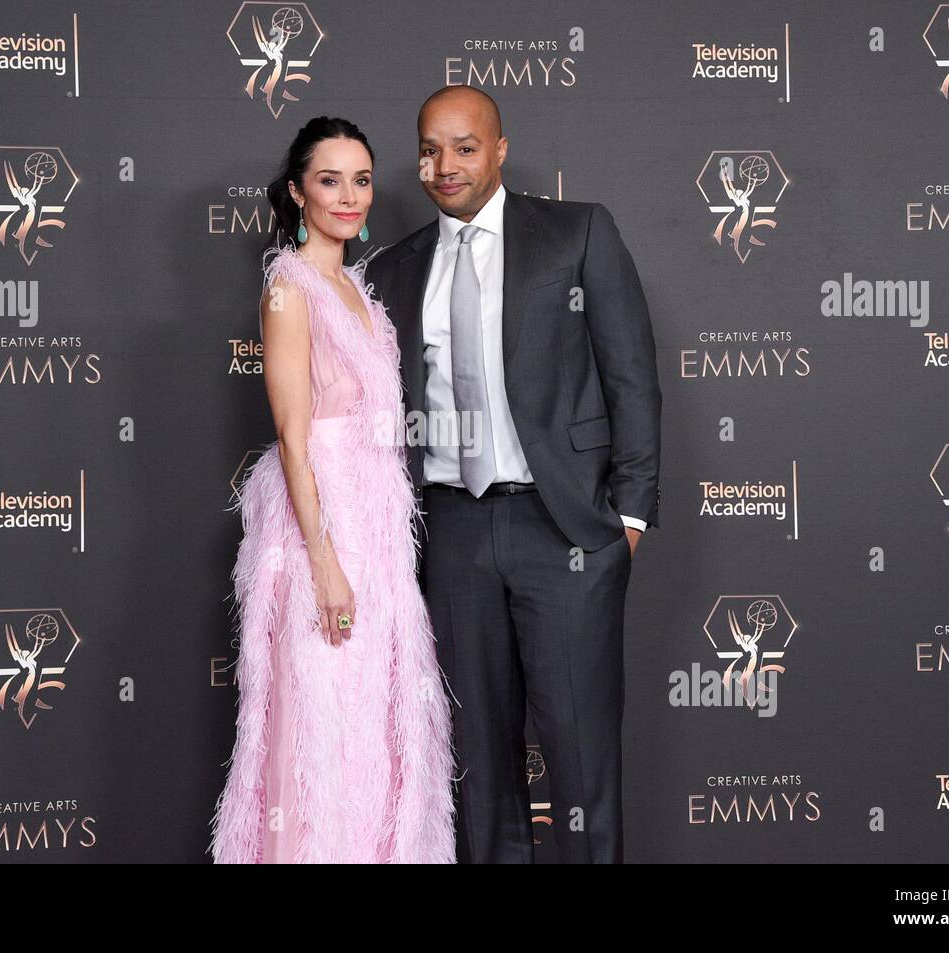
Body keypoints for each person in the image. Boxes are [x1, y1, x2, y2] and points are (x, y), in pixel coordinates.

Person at [364, 86, 662, 863]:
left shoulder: (576, 233)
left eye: (465, 147)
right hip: (453, 535)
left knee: (580, 756)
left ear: (499, 150)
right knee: (476, 768)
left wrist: (627, 520)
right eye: (429, 148)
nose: (445, 164)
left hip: (561, 529)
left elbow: (631, 378)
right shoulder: (392, 270)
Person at [210, 117, 455, 864]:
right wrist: (323, 559)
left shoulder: (355, 287)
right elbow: (292, 434)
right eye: (329, 180)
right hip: (324, 537)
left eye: (360, 179)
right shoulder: (289, 288)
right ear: (297, 192)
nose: (348, 197)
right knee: (323, 735)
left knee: (374, 730)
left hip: (377, 540)